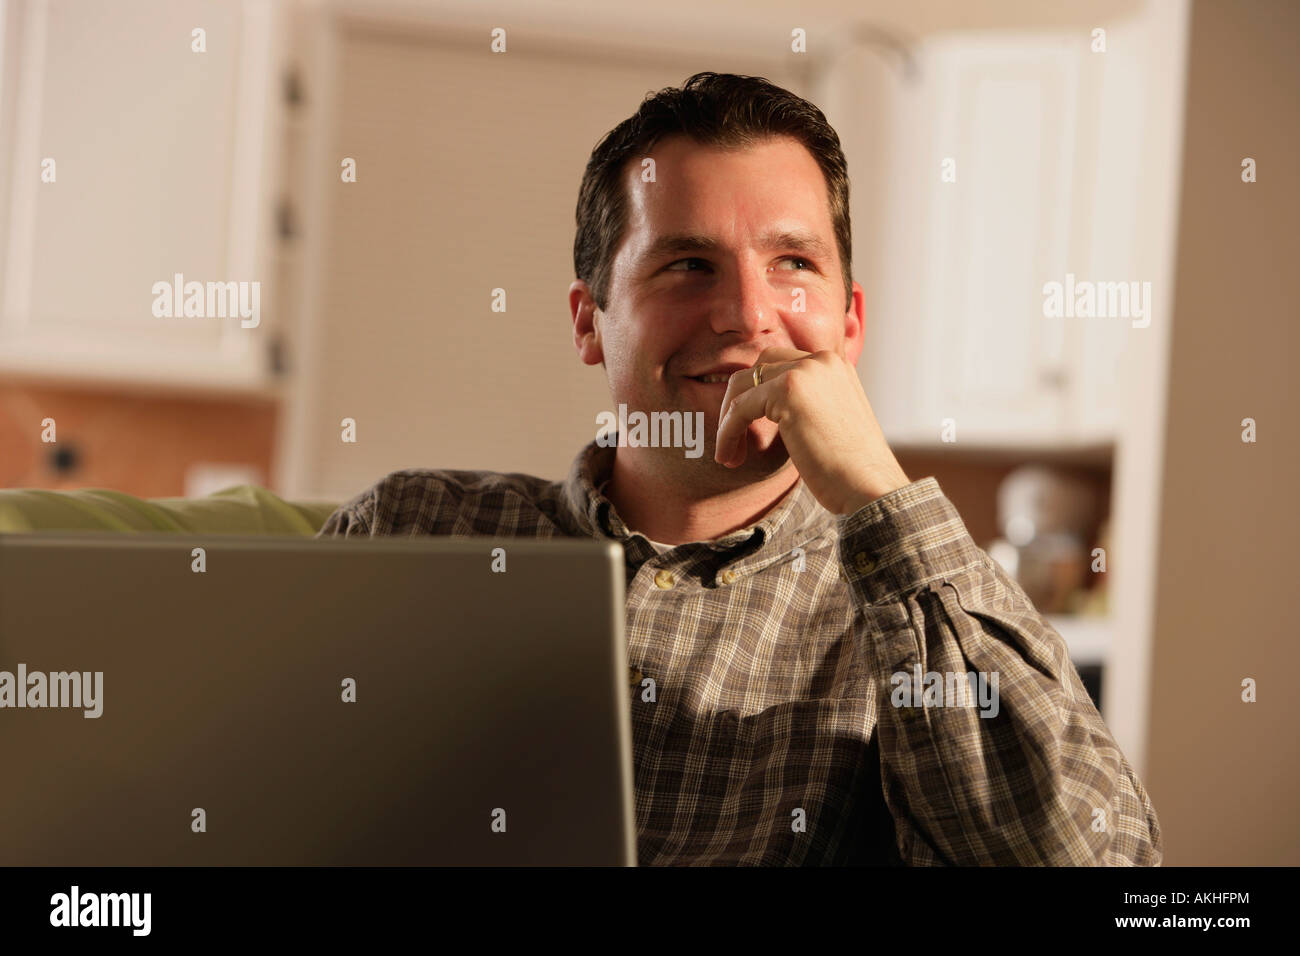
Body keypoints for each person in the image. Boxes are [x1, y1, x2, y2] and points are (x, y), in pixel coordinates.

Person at [318, 72, 1162, 866]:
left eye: (794, 264)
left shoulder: (934, 613)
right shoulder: (408, 530)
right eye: (689, 265)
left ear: (849, 325)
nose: (749, 314)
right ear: (589, 322)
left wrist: (879, 495)